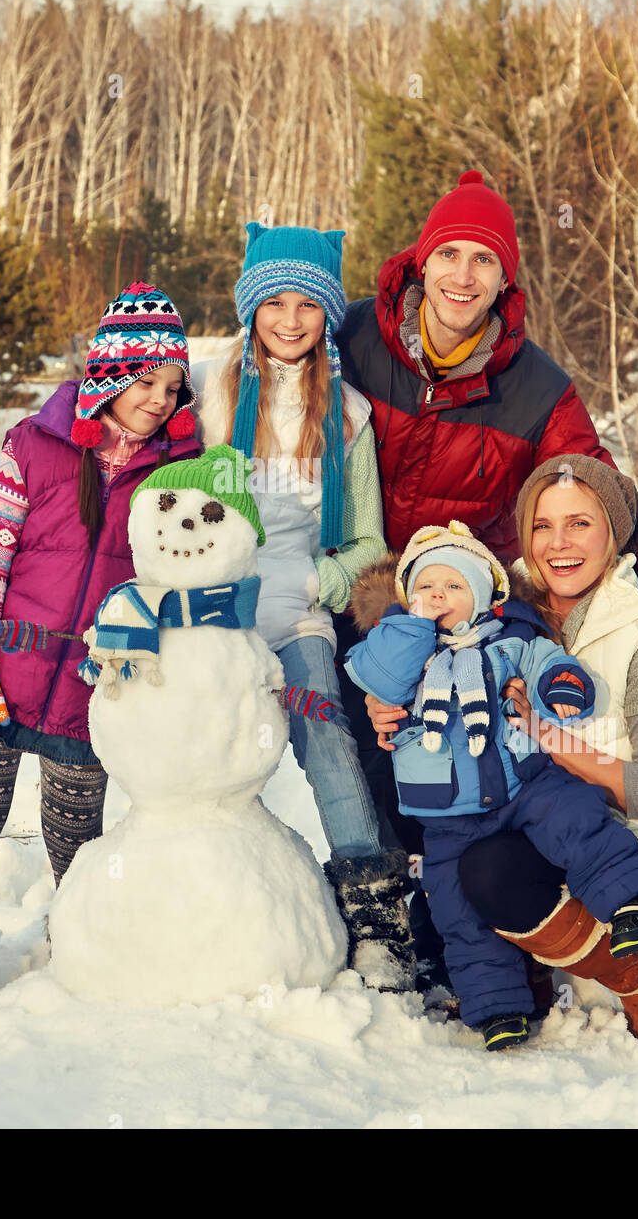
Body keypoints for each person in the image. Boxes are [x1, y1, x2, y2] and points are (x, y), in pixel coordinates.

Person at [333, 170, 638, 981]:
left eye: (483, 260)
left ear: (504, 280)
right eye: (450, 255)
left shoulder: (535, 386)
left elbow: (593, 480)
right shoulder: (357, 338)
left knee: (479, 748)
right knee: (377, 744)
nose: (463, 276)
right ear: (421, 262)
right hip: (374, 588)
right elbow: (277, 383)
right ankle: (399, 902)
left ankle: (484, 913)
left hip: (472, 604)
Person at [0, 284, 201, 1013]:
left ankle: (86, 947)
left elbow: (178, 571)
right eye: (147, 382)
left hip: (93, 684)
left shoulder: (177, 472)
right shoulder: (34, 447)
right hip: (3, 671)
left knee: (76, 834)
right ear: (111, 376)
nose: (159, 400)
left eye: (173, 387)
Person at [343, 521, 638, 1049]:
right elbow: (377, 676)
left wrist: (561, 686)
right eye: (425, 587)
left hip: (524, 783)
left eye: (452, 587)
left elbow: (550, 664)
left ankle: (627, 903)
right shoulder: (405, 659)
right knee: (456, 911)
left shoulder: (508, 641)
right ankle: (496, 1008)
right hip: (447, 816)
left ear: (481, 595)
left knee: (575, 816)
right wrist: (408, 625)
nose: (436, 597)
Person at [191, 222, 415, 989]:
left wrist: (313, 585)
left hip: (297, 613)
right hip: (210, 610)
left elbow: (366, 544)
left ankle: (378, 915)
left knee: (328, 744)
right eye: (275, 302)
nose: (290, 320)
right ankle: (203, 893)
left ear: (328, 315)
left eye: (308, 306)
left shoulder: (349, 414)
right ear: (250, 306)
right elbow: (163, 499)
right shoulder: (203, 387)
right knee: (205, 748)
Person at [456, 454, 638, 1049]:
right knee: (446, 901)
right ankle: (537, 970)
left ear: (613, 534)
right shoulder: (502, 620)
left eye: (579, 524)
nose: (557, 544)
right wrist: (386, 702)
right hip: (549, 838)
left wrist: (551, 739)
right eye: (542, 525)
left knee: (493, 876)